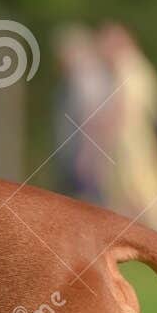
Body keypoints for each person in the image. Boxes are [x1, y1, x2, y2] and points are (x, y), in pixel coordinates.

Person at [96, 23, 157, 241]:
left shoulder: (129, 66)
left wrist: (107, 131)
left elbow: (126, 107)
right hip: (135, 139)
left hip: (133, 141)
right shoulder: (135, 66)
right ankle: (129, 238)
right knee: (132, 188)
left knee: (145, 188)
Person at [53, 24, 111, 205]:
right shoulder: (84, 76)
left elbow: (94, 119)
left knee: (90, 205)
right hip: (84, 154)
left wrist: (87, 155)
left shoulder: (87, 77)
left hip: (86, 156)